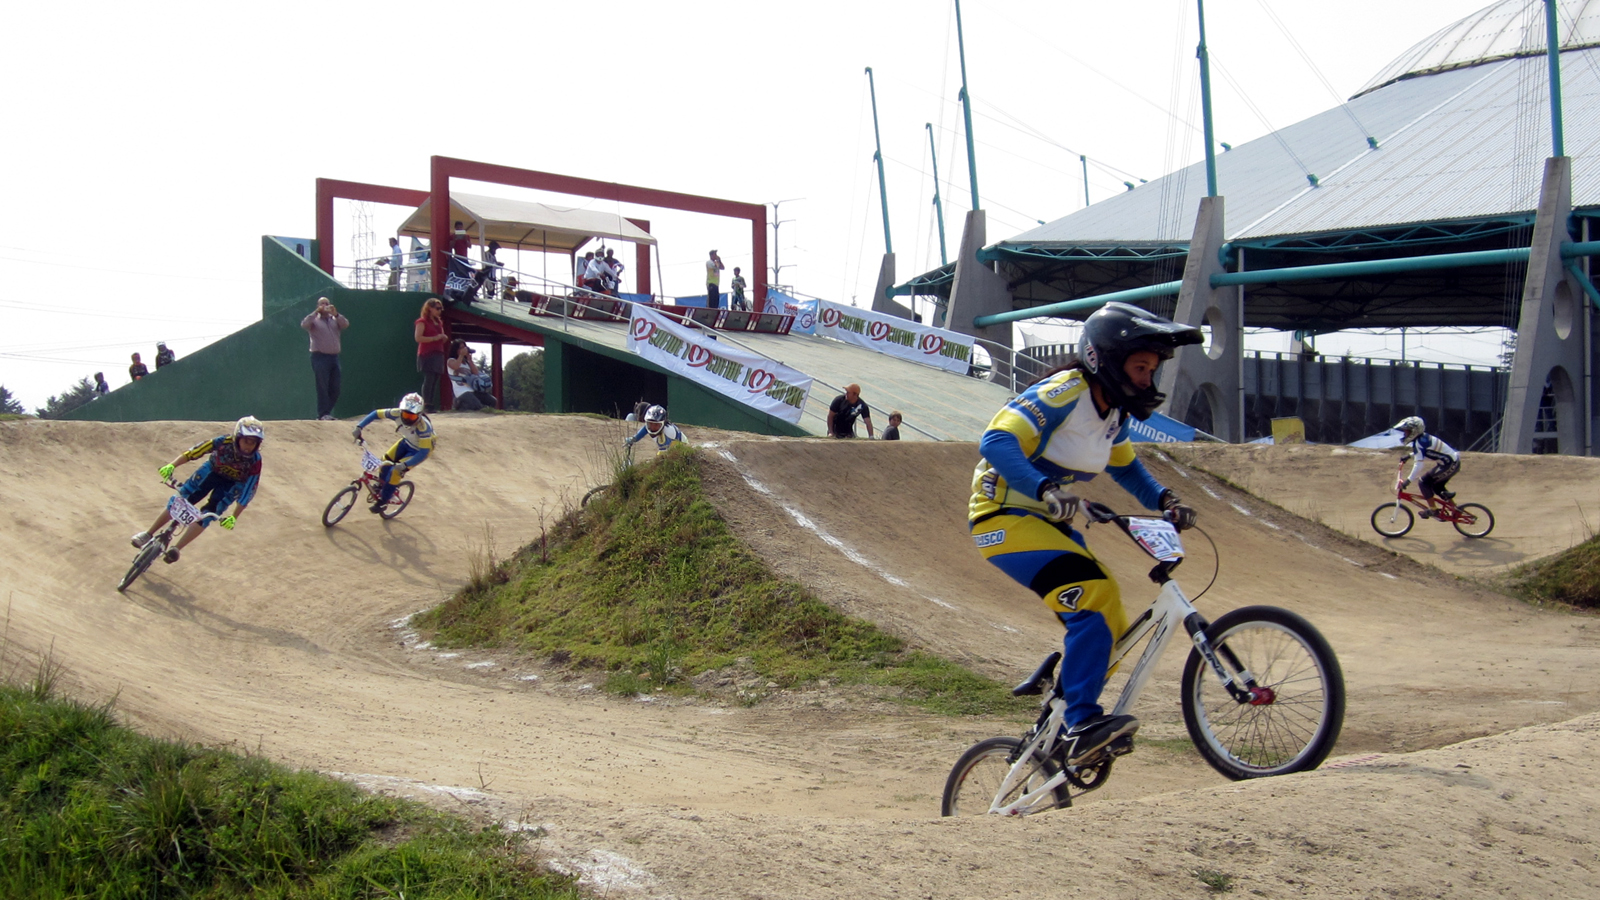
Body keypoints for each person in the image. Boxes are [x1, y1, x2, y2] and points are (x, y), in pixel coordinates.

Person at [967, 301, 1202, 766]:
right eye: (1140, 366)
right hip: (1002, 517)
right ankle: (1080, 721)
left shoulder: (1113, 412)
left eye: (1151, 369)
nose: (1146, 379)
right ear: (1107, 359)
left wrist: (1166, 501)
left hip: (1045, 521)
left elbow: (1128, 469)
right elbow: (995, 440)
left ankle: (1063, 709)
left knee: (1110, 612)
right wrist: (1044, 487)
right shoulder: (1064, 392)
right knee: (1093, 596)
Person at [131, 416, 264, 565]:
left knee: (208, 514)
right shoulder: (223, 442)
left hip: (232, 485)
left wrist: (234, 516)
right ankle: (148, 534)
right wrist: (172, 465)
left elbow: (249, 489)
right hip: (211, 472)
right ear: (237, 437)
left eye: (253, 443)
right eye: (246, 441)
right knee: (181, 499)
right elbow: (195, 451)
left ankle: (176, 549)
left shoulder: (255, 461)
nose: (249, 446)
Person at [353, 394, 435, 513]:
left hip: (420, 450)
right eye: (405, 414)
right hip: (406, 442)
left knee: (395, 471)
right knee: (384, 461)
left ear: (419, 415)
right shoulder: (396, 413)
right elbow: (376, 414)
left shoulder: (423, 428)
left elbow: (423, 452)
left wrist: (405, 465)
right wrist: (359, 427)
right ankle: (382, 485)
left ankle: (383, 501)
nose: (407, 419)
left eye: (411, 416)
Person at [1394, 415, 1460, 516]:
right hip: (1451, 463)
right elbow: (1425, 452)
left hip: (1450, 465)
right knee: (1436, 486)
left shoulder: (1420, 443)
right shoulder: (1422, 439)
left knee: (1423, 482)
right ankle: (1455, 509)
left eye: (1407, 431)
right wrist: (1409, 456)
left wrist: (1408, 481)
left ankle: (1433, 510)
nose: (1405, 433)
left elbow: (1419, 464)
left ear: (1414, 431)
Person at [302, 296, 349, 420]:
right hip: (319, 357)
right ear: (318, 305)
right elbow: (304, 324)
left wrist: (336, 314)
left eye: (327, 303)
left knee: (335, 387)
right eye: (322, 303)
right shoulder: (314, 320)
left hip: (334, 357)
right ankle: (323, 414)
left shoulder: (334, 320)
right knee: (322, 386)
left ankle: (327, 412)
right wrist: (316, 312)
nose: (325, 306)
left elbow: (345, 324)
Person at [414, 298, 450, 412]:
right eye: (437, 308)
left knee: (435, 378)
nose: (439, 311)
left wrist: (443, 338)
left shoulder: (439, 322)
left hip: (438, 352)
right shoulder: (422, 322)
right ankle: (426, 404)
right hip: (427, 352)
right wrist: (435, 338)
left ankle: (431, 403)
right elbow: (418, 337)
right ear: (429, 308)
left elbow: (441, 336)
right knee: (429, 378)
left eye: (441, 309)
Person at [446, 340, 498, 410]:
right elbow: (456, 366)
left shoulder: (466, 363)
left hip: (472, 389)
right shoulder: (451, 360)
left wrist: (470, 360)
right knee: (476, 405)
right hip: (461, 391)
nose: (464, 349)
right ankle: (460, 406)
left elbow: (476, 372)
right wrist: (461, 355)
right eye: (461, 348)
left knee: (492, 401)